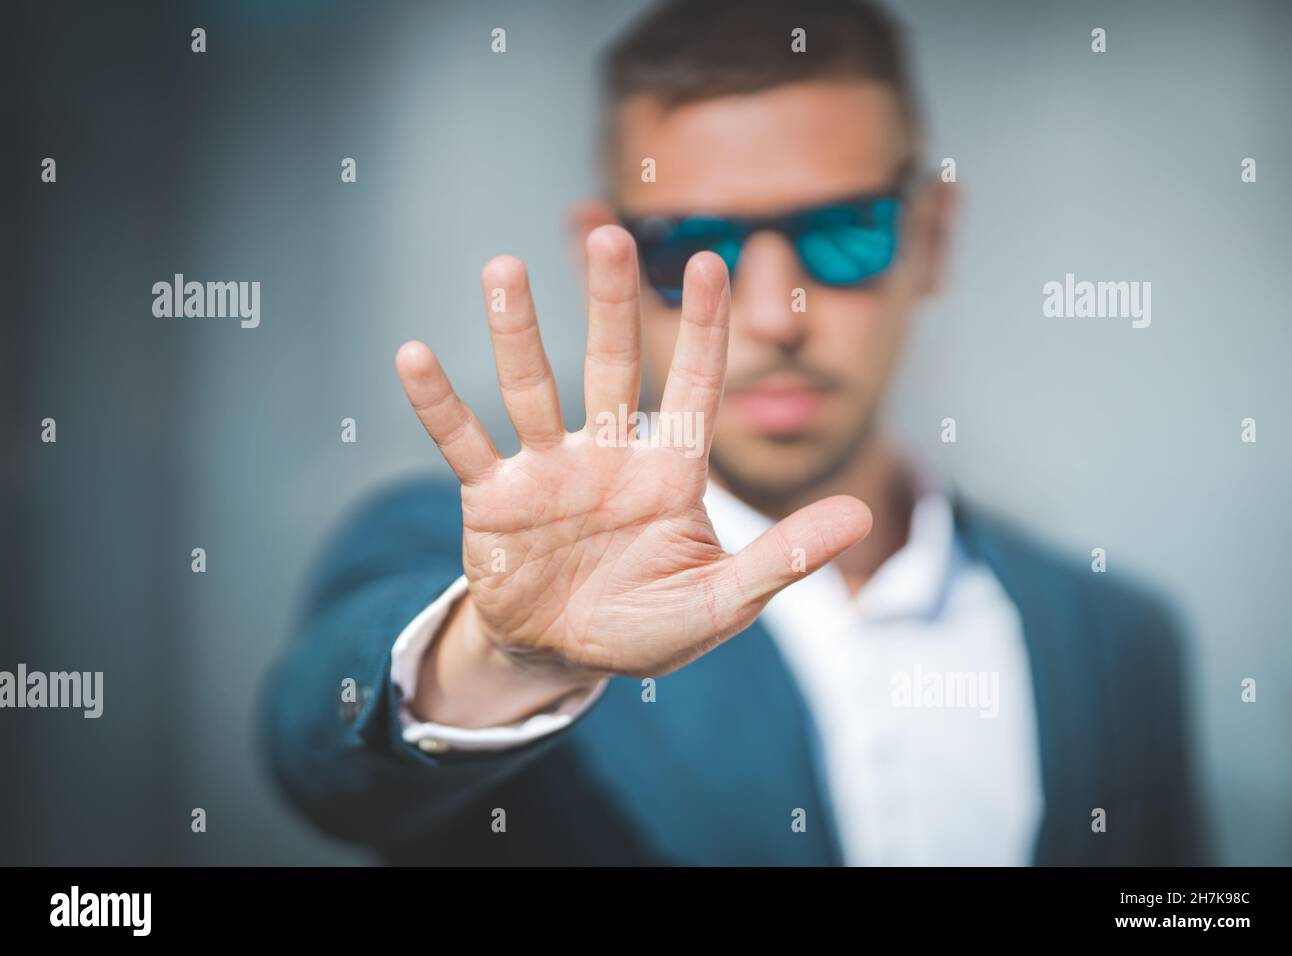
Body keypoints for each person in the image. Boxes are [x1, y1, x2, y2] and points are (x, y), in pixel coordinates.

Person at [263, 0, 1204, 865]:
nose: (774, 312)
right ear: (614, 255)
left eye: (844, 232)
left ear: (931, 235)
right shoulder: (458, 561)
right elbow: (321, 762)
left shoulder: (1115, 641)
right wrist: (499, 655)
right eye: (692, 246)